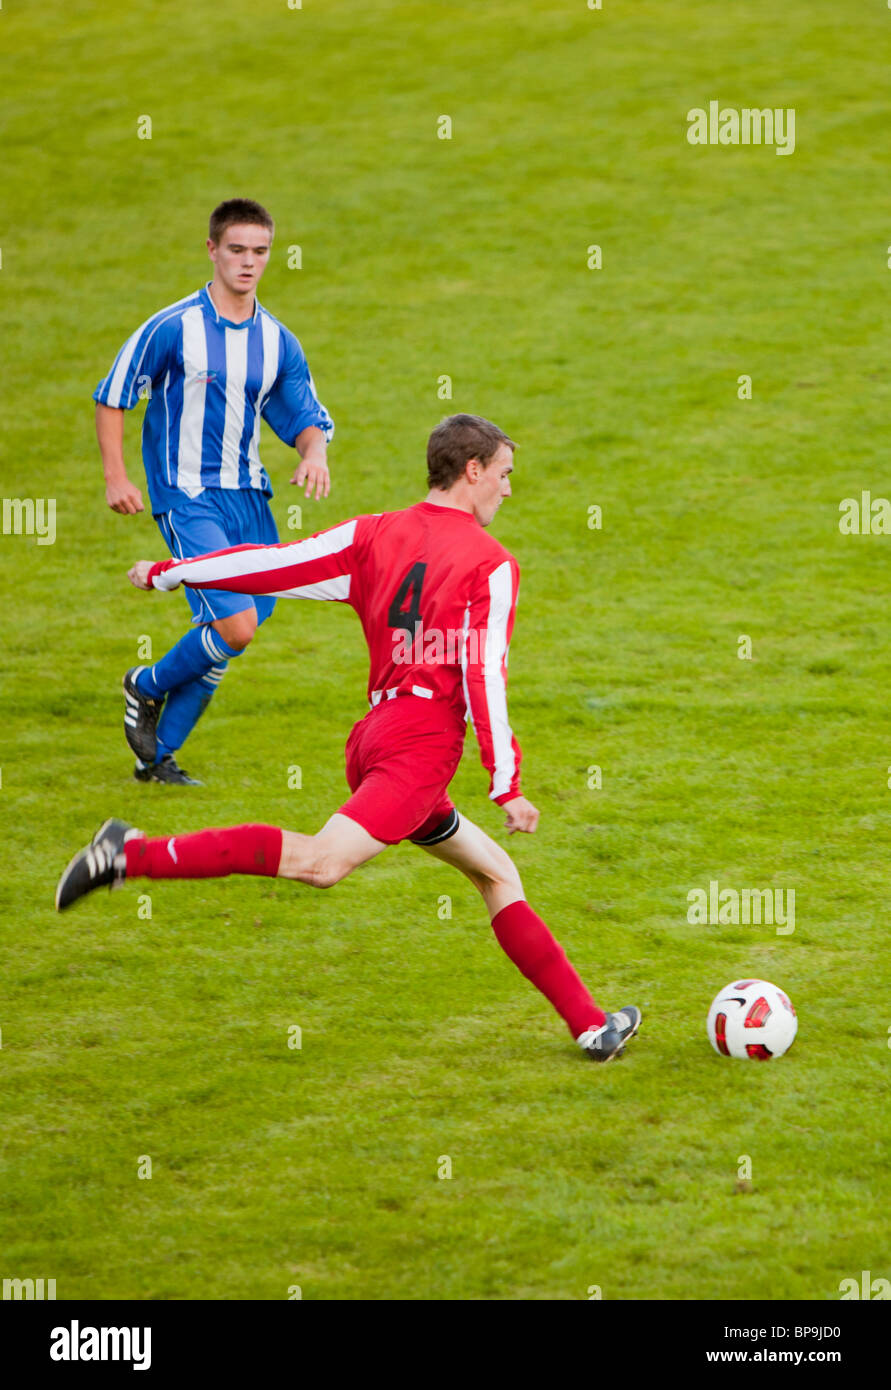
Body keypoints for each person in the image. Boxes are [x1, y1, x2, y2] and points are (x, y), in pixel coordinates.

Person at [56, 414, 641, 1062]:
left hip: (373, 740)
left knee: (496, 874)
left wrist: (170, 572)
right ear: (471, 471)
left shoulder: (375, 534)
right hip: (419, 748)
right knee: (320, 863)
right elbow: (482, 675)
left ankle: (591, 1026)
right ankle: (127, 854)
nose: (508, 489)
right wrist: (506, 784)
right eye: (503, 475)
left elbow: (271, 565)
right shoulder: (491, 565)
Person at [93, 197, 333, 784]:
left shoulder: (278, 341)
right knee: (235, 625)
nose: (248, 263)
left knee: (241, 626)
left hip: (249, 496)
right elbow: (114, 393)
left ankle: (156, 757)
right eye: (236, 250)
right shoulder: (174, 327)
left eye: (260, 252)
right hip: (187, 494)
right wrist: (116, 476)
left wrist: (315, 454)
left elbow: (301, 413)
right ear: (212, 250)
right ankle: (143, 684)